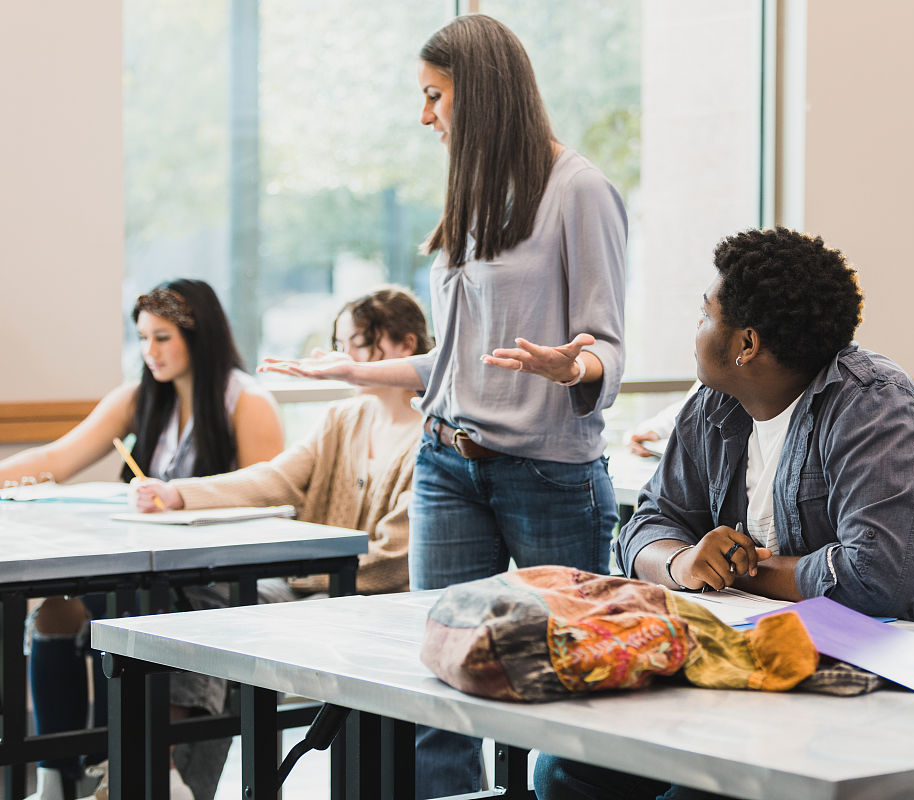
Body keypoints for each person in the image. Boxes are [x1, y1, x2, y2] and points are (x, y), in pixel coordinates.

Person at [260, 14, 625, 797]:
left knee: (570, 687)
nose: (425, 115)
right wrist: (358, 375)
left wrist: (574, 365)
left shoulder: (579, 190)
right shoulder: (472, 196)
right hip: (448, 465)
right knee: (440, 687)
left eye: (434, 97)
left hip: (548, 476)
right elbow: (459, 363)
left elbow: (609, 351)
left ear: (482, 95)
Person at [534, 227, 914, 800]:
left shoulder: (874, 404)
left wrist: (739, 569)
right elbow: (646, 525)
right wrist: (683, 564)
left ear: (746, 344)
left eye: (705, 314)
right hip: (758, 670)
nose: (695, 328)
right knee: (563, 768)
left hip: (891, 678)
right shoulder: (713, 405)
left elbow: (878, 581)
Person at [0, 279, 285, 800]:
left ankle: (148, 766)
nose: (148, 352)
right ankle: (57, 778)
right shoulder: (140, 397)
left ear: (199, 337)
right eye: (142, 339)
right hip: (150, 563)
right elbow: (56, 459)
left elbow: (269, 497)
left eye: (162, 338)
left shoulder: (248, 403)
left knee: (149, 612)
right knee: (54, 610)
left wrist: (181, 496)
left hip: (217, 571)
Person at [134, 286, 431, 596]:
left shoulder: (432, 437)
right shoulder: (342, 418)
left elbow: (393, 560)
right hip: (313, 584)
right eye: (341, 346)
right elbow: (276, 478)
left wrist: (297, 574)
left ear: (407, 345)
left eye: (360, 344)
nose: (346, 359)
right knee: (196, 588)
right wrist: (176, 494)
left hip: (367, 601)